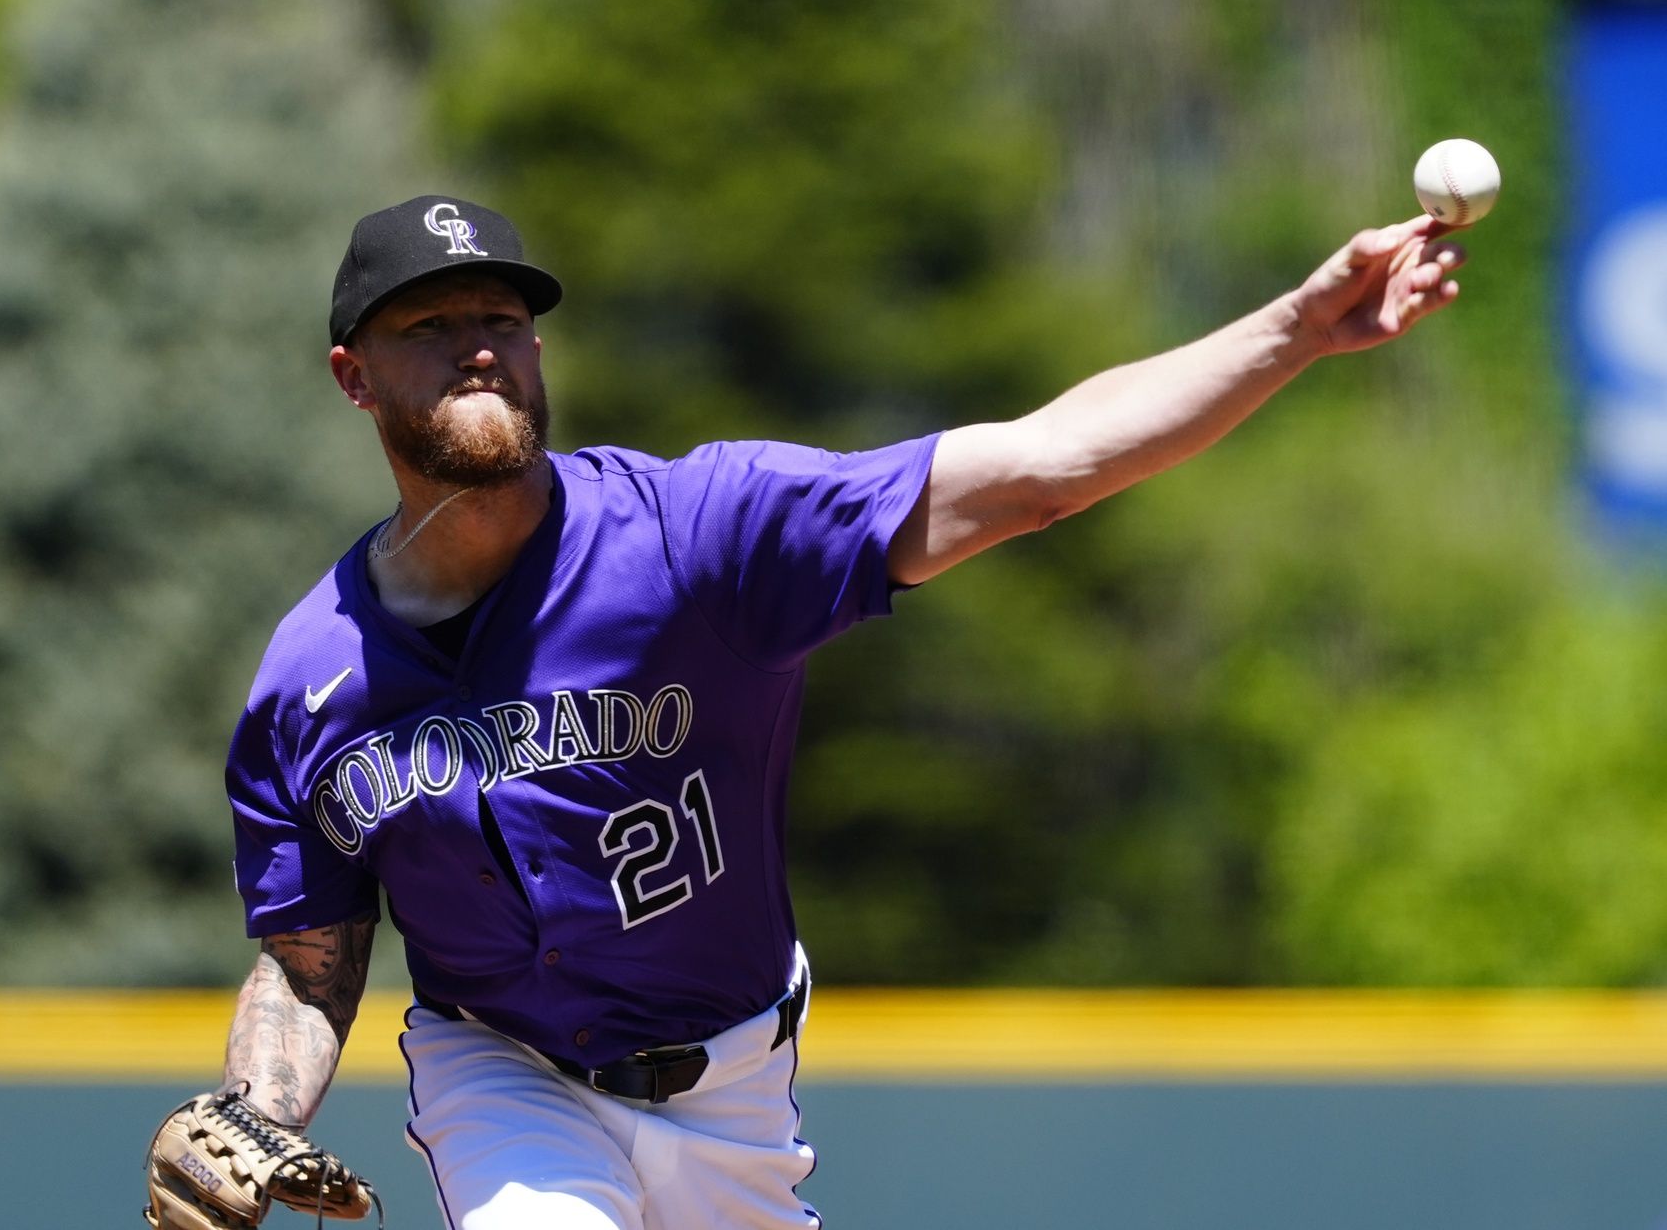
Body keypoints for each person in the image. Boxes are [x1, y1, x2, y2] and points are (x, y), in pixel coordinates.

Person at [205, 195, 1465, 1229]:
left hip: (732, 1084)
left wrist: (1293, 328)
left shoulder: (697, 536)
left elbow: (1035, 469)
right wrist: (254, 1107)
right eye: (430, 324)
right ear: (352, 376)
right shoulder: (309, 681)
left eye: (502, 315)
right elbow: (313, 962)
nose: (479, 341)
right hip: (507, 1069)